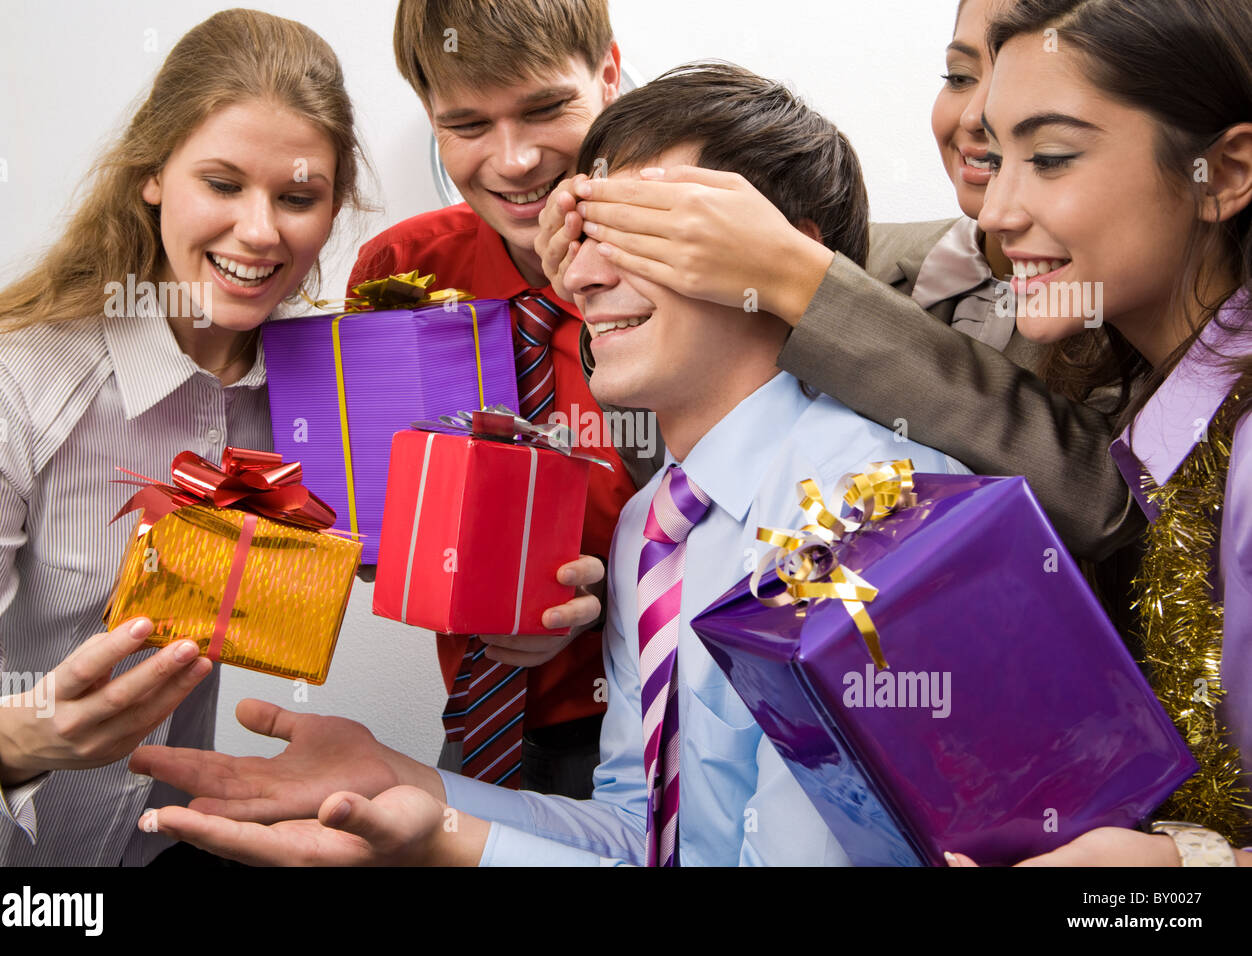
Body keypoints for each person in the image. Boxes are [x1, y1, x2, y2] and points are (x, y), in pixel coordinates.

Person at [131, 62, 968, 867]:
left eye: (642, 234)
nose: (587, 275)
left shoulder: (871, 511)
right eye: (587, 232)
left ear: (783, 255)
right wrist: (410, 784)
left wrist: (446, 843)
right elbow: (637, 828)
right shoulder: (658, 525)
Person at [0, 9, 366, 866]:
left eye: (297, 197)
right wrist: (29, 737)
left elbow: (411, 558)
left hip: (163, 847)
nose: (260, 231)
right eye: (221, 183)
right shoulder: (8, 386)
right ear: (151, 176)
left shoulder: (328, 402)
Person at [535, 0, 1141, 567]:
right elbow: (698, 440)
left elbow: (1114, 504)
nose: (982, 114)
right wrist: (610, 309)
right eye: (960, 76)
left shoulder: (1127, 295)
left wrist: (795, 276)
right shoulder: (870, 256)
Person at [950, 0, 1252, 867]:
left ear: (1223, 173)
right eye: (994, 158)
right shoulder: (1147, 409)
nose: (997, 213)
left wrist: (1175, 874)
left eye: (1048, 159)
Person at [345, 0, 641, 799]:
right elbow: (380, 524)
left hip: (659, 728)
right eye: (468, 124)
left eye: (546, 109)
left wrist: (605, 594)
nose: (513, 161)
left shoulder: (679, 275)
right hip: (478, 730)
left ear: (607, 74)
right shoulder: (401, 274)